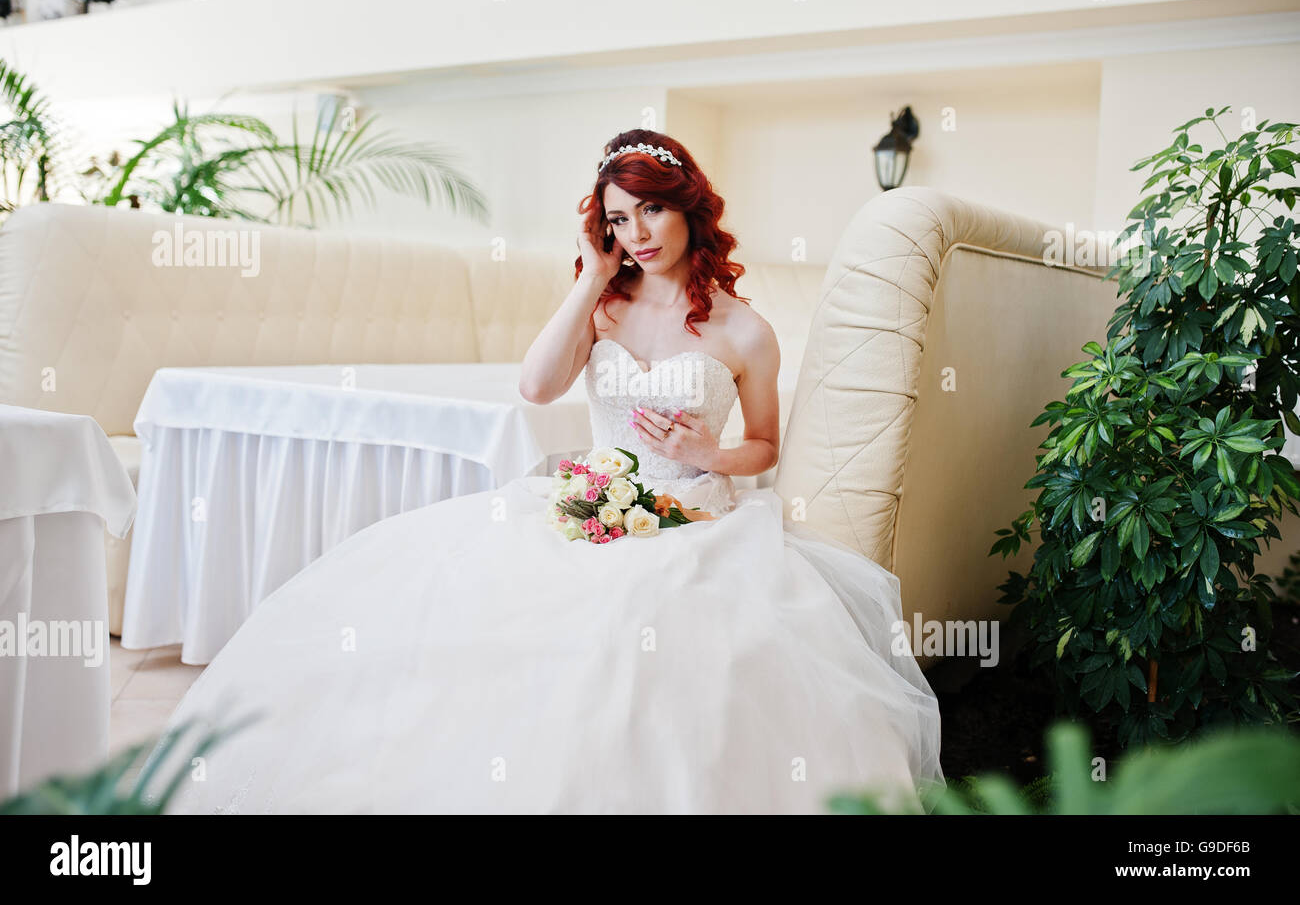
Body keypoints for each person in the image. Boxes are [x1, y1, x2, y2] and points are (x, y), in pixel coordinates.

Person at [148, 130, 943, 814]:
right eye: (618, 219)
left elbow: (765, 443)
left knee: (642, 646)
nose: (637, 233)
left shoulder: (746, 331)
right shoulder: (604, 305)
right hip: (586, 505)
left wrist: (708, 454)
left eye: (651, 210)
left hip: (697, 519)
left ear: (688, 205)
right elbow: (534, 387)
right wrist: (592, 276)